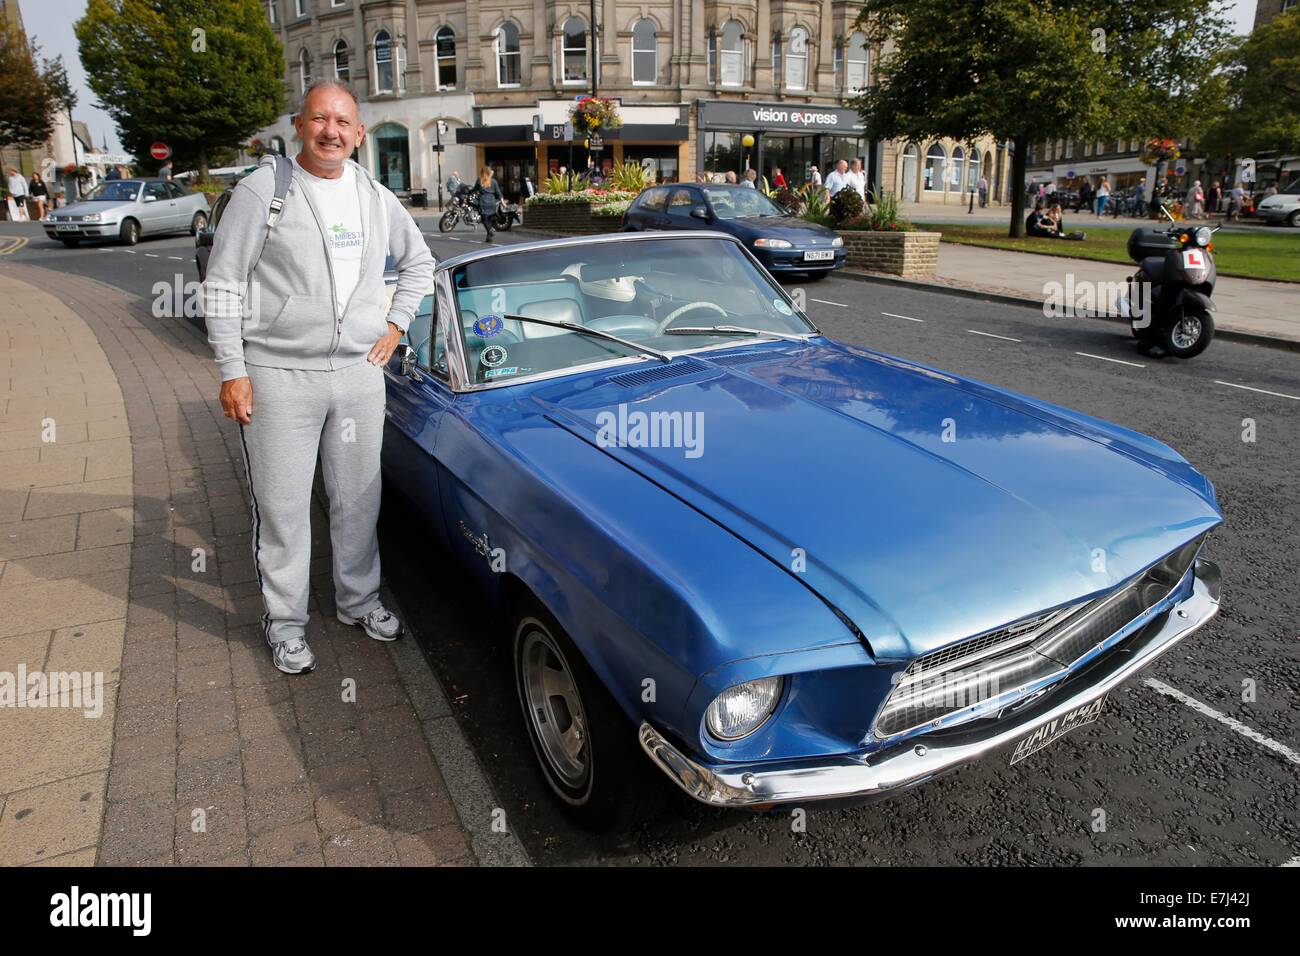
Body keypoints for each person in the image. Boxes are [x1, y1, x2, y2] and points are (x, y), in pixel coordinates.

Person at [202, 80, 434, 675]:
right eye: (319, 119)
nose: (331, 131)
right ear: (299, 126)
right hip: (279, 375)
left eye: (343, 122)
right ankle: (285, 623)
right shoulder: (263, 192)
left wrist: (395, 325)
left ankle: (357, 602)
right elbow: (225, 283)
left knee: (358, 499)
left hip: (358, 374)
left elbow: (419, 264)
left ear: (359, 134)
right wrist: (234, 369)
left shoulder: (376, 196)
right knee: (282, 508)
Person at [473, 164, 503, 241]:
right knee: (490, 219)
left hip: (483, 201)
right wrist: (503, 202)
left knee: (484, 219)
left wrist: (469, 192)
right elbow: (498, 193)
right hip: (492, 201)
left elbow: (474, 189)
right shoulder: (494, 181)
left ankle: (490, 230)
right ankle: (489, 238)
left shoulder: (479, 180)